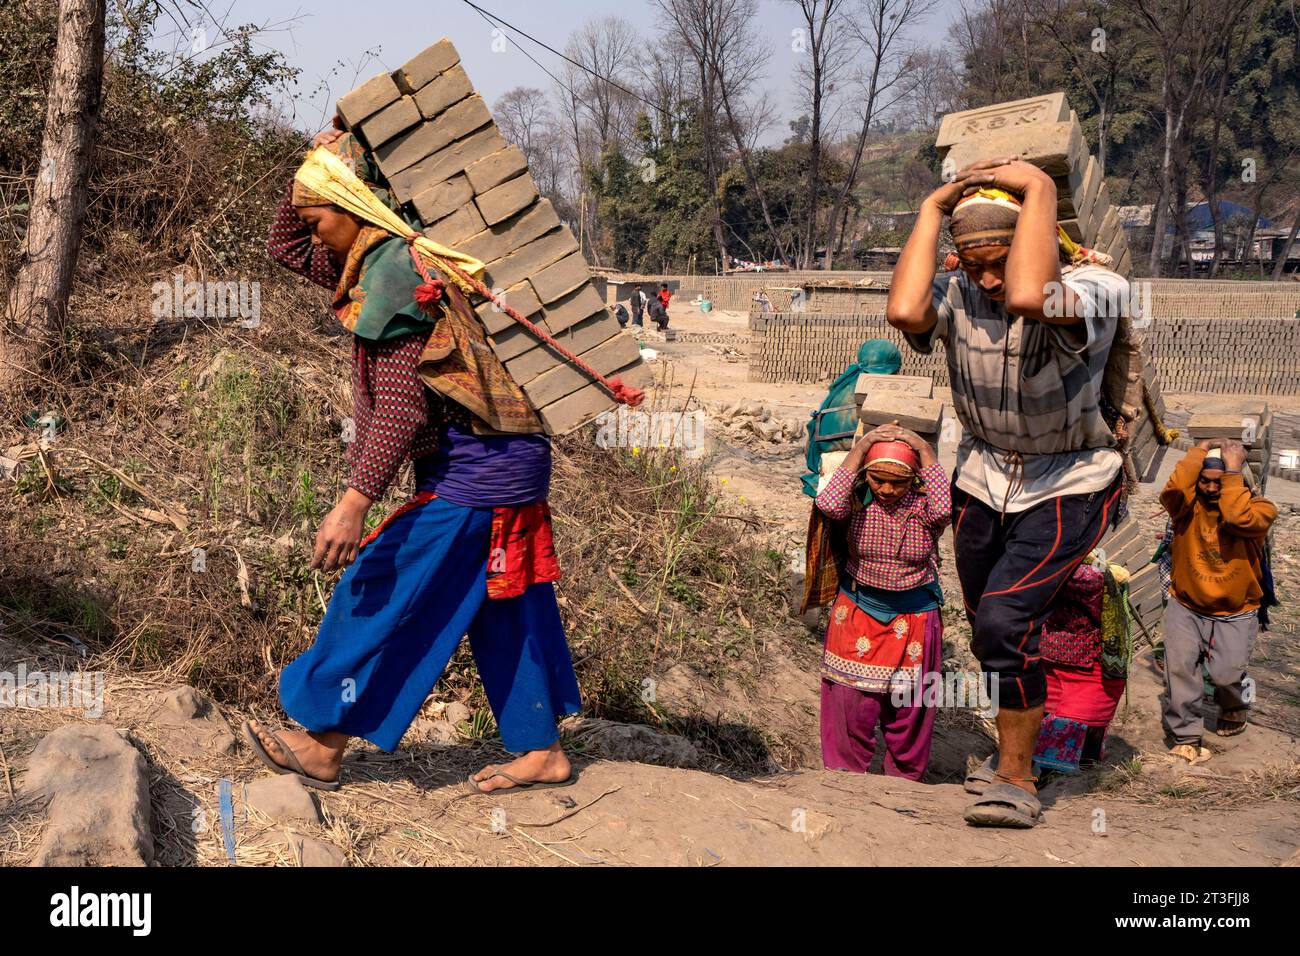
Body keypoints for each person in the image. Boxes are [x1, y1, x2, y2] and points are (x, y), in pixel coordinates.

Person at [244, 128, 582, 794]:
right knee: (500, 601)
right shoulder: (364, 260)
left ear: (355, 211)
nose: (312, 235)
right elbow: (282, 245)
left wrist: (354, 502)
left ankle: (323, 743)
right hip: (502, 460)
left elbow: (403, 411)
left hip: (479, 469)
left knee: (381, 588)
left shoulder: (397, 276)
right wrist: (315, 165)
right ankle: (542, 749)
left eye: (320, 219)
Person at [887, 157, 1130, 828]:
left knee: (1003, 620)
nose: (989, 279)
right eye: (973, 263)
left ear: (1040, 239)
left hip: (1071, 478)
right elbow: (904, 309)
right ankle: (1018, 748)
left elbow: (1030, 296)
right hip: (983, 475)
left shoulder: (1097, 287)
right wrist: (934, 211)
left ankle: (1017, 779)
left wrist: (1041, 187)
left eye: (1000, 259)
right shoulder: (961, 292)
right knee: (992, 627)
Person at [813, 425, 950, 780]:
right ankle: (844, 775)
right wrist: (863, 446)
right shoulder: (856, 502)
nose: (887, 490)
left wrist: (923, 448)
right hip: (858, 611)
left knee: (910, 707)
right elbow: (827, 502)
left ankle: (903, 782)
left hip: (915, 618)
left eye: (898, 482)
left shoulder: (924, 509)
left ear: (914, 480)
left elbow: (946, 507)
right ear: (865, 475)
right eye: (878, 479)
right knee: (849, 701)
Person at [1159, 440, 1276, 761]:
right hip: (1186, 604)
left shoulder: (1262, 510)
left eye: (1219, 480)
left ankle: (1235, 705)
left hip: (1237, 610)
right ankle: (1186, 732)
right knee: (1181, 669)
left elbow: (1237, 518)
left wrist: (1233, 469)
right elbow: (1170, 491)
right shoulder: (1186, 508)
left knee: (1226, 674)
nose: (1212, 487)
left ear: (1240, 482)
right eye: (1205, 480)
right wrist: (1198, 451)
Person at [1031, 557, 1131, 773]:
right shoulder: (1061, 567)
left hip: (1092, 670)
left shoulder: (1089, 577)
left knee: (1086, 731)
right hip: (1050, 665)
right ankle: (1047, 777)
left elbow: (1056, 575)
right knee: (1045, 724)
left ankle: (1082, 780)